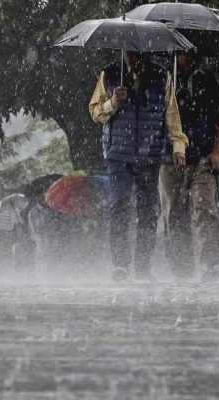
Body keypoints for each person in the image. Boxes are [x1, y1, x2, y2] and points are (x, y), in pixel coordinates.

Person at [89, 50, 188, 282]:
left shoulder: (161, 76)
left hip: (150, 154)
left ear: (147, 52)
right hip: (118, 155)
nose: (133, 58)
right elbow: (95, 112)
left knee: (147, 211)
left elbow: (172, 115)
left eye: (137, 53)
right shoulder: (110, 73)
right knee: (119, 207)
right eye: (129, 53)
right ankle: (120, 265)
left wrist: (178, 147)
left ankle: (143, 267)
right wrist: (113, 103)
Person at [158, 50, 219, 283]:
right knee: (172, 213)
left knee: (205, 208)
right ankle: (181, 268)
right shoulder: (164, 77)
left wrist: (217, 150)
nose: (188, 55)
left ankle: (210, 263)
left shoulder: (207, 79)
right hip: (169, 157)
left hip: (203, 158)